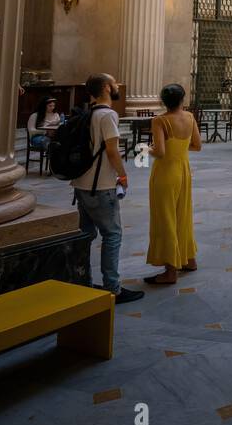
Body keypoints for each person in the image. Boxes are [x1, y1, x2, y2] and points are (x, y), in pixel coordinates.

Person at [73, 73, 144, 304]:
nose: (117, 86)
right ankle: (113, 288)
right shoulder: (108, 115)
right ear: (106, 87)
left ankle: (82, 281)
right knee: (112, 235)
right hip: (101, 186)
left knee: (86, 234)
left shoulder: (89, 113)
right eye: (113, 83)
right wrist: (123, 175)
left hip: (82, 185)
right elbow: (113, 151)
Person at [144, 83, 201, 286]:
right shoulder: (190, 117)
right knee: (183, 215)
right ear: (182, 99)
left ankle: (170, 271)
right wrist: (179, 149)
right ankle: (189, 260)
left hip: (166, 173)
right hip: (183, 171)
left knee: (165, 218)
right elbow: (197, 145)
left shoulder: (160, 120)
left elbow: (159, 152)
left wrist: (145, 148)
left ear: (163, 101)